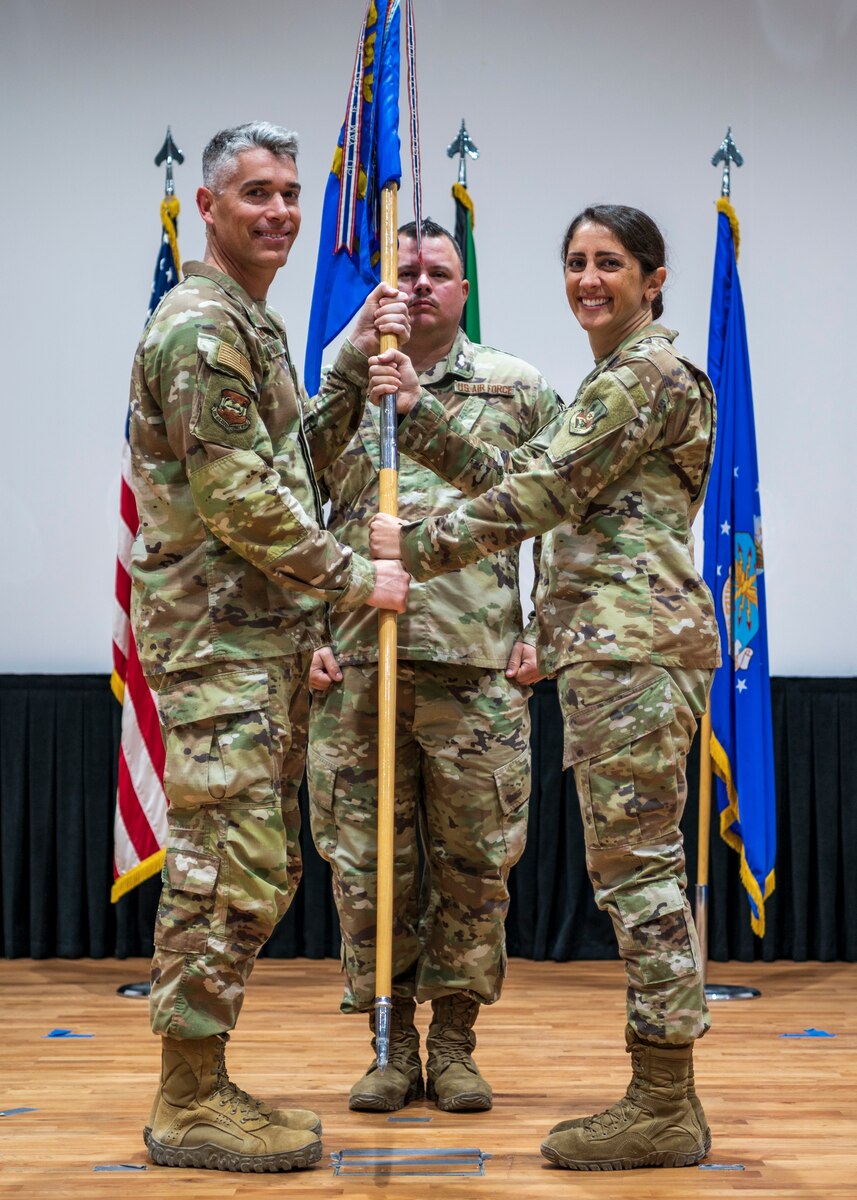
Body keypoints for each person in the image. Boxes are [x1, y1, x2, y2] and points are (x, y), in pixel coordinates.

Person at [368, 205, 720, 1171]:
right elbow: (523, 468)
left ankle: (662, 1103)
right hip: (611, 653)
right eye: (573, 261)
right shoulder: (610, 382)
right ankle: (661, 1094)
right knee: (629, 876)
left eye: (609, 262)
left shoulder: (646, 375)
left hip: (634, 651)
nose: (586, 279)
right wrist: (420, 417)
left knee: (639, 879)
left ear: (654, 278)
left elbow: (540, 494)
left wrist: (413, 549)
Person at [128, 121, 410, 1174]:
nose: (281, 211)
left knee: (250, 867)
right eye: (256, 193)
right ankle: (184, 1100)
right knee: (222, 871)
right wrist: (355, 578)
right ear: (208, 207)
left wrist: (346, 375)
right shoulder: (202, 330)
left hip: (260, 646)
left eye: (291, 191)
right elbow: (242, 501)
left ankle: (202, 1077)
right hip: (219, 647)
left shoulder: (254, 323)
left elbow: (287, 462)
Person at [306, 219, 563, 1114]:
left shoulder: (517, 387)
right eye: (402, 271)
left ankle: (452, 1045)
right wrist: (310, 631)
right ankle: (386, 1044)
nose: (417, 286)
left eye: (436, 273)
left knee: (473, 866)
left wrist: (547, 627)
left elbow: (559, 507)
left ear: (463, 289)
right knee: (368, 867)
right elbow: (287, 509)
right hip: (358, 664)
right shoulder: (340, 390)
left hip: (477, 667)